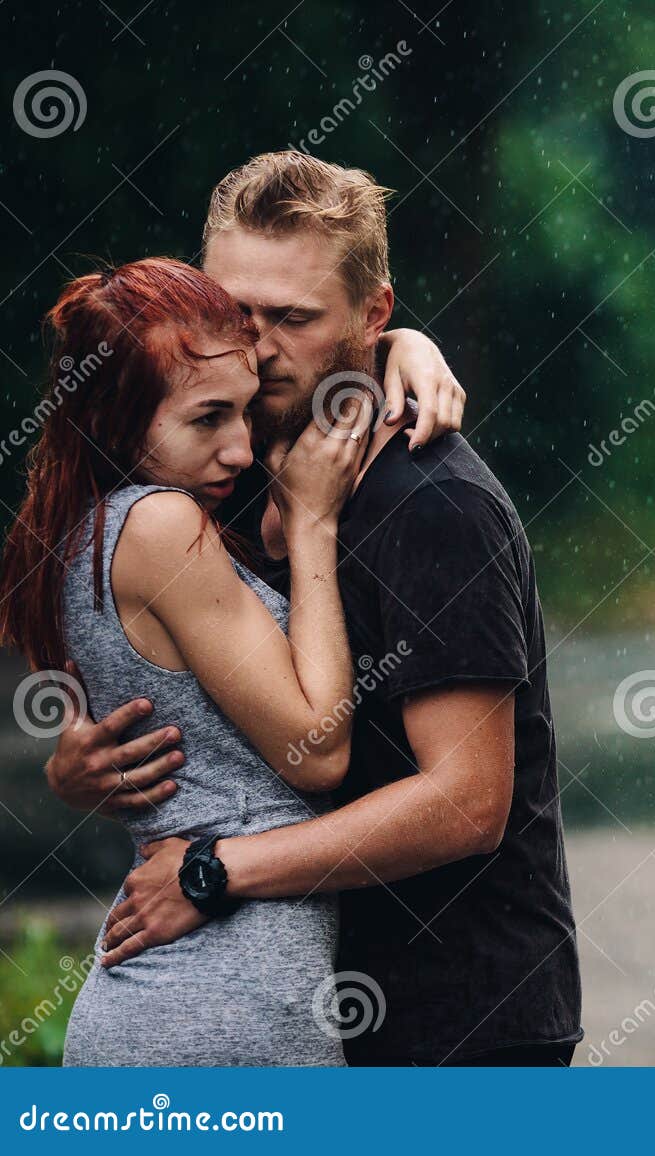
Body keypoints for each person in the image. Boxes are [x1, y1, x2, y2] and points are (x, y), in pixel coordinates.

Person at [47, 152, 583, 1066]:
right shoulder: (236, 459)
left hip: (453, 1016)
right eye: (234, 311)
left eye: (292, 319)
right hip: (299, 1003)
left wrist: (215, 871)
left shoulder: (431, 504)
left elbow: (466, 803)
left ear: (372, 314)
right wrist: (78, 768)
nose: (255, 345)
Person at [0, 257, 375, 1064]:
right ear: (114, 421)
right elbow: (320, 748)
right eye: (209, 420)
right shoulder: (162, 526)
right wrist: (312, 524)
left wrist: (404, 345)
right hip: (215, 1015)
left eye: (245, 413)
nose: (241, 449)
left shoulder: (81, 529)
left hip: (190, 1007)